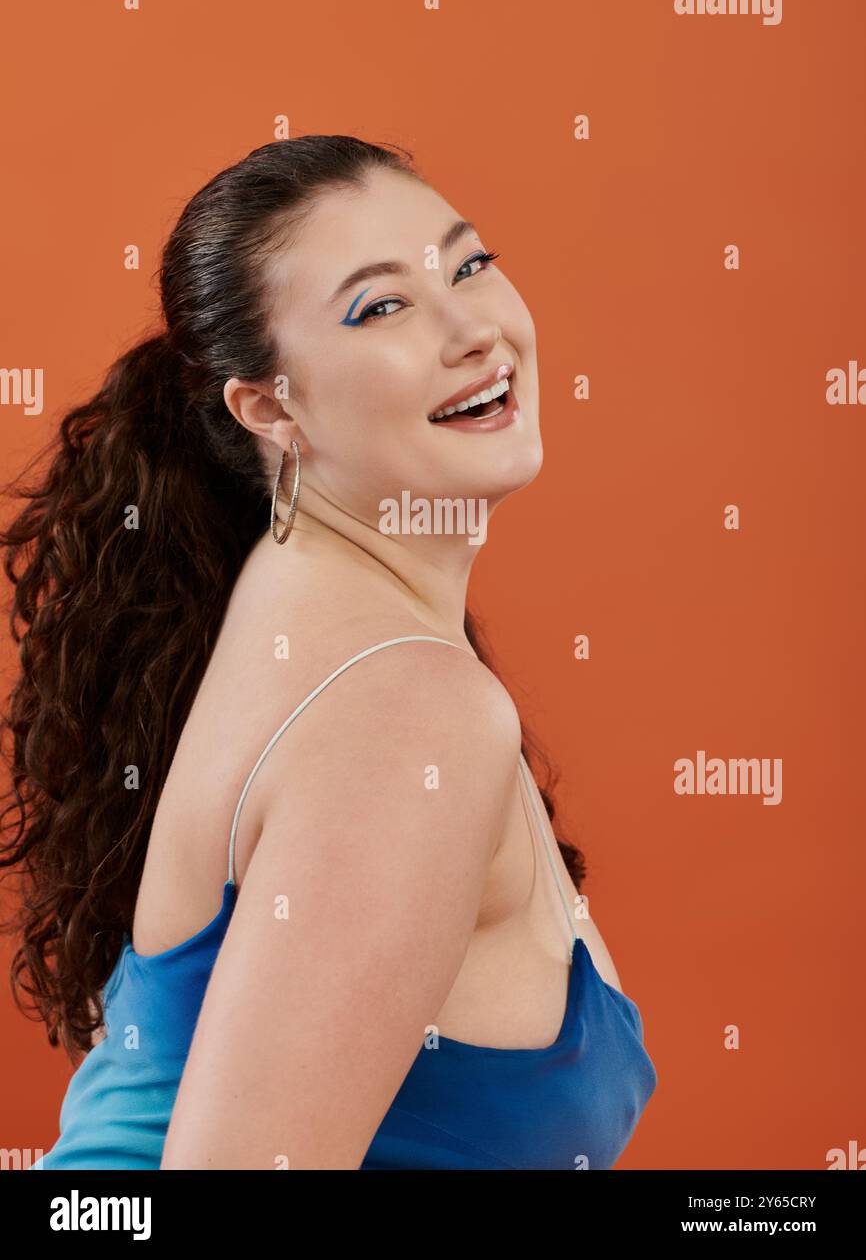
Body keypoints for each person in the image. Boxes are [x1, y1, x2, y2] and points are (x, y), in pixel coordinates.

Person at [1, 135, 656, 1169]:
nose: (470, 329)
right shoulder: (406, 709)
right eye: (380, 306)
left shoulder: (309, 599)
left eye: (469, 264)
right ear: (268, 406)